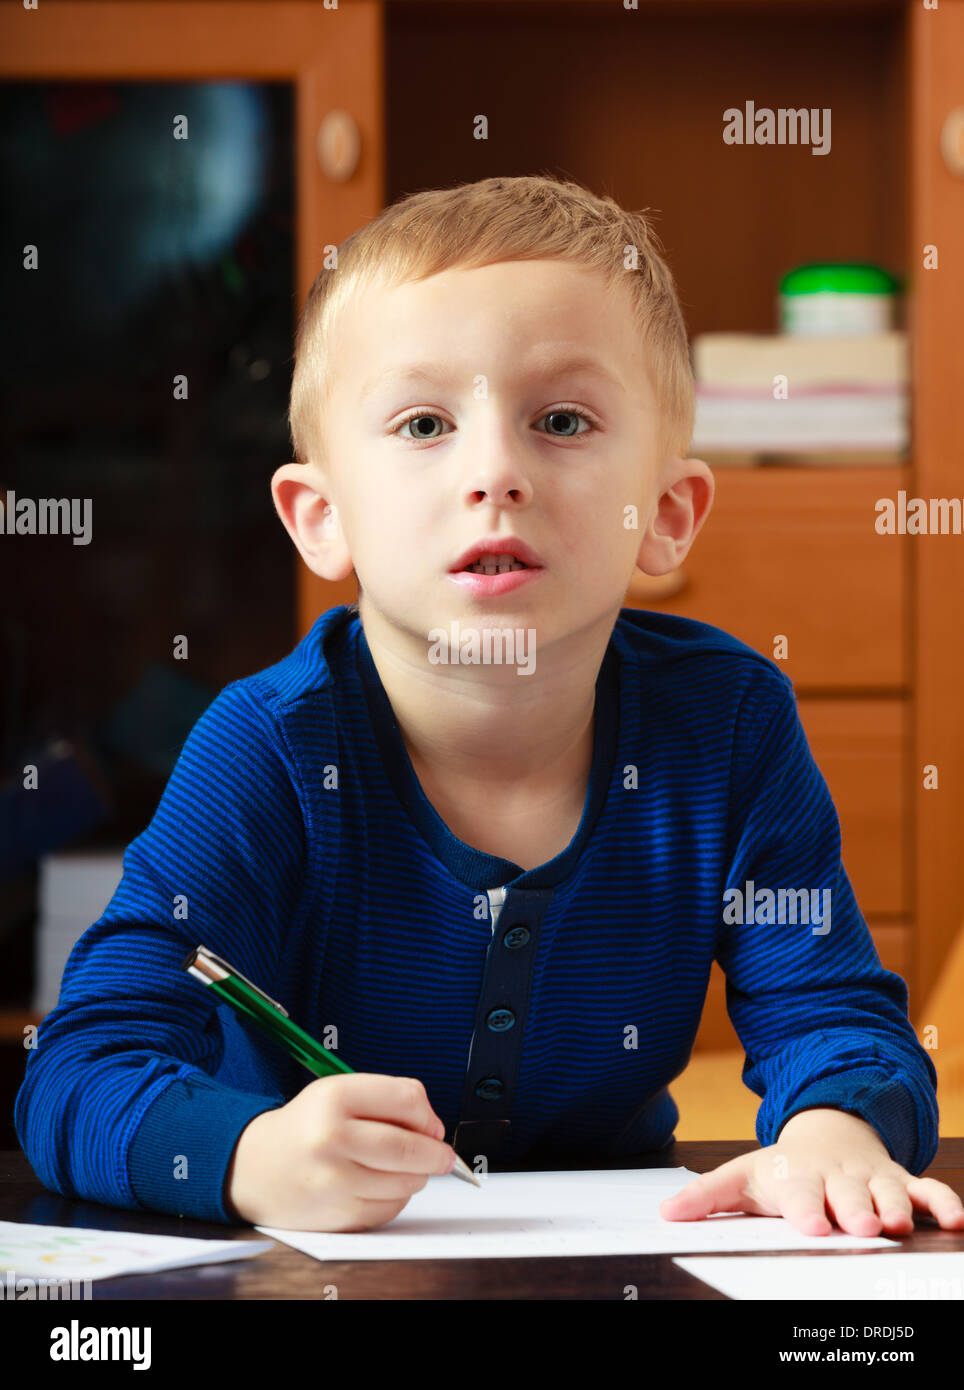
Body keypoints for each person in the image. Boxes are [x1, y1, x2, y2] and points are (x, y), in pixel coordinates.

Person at [16, 175, 964, 1239]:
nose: (494, 471)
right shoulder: (267, 747)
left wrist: (838, 1129)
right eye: (423, 422)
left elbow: (833, 1013)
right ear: (320, 518)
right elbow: (78, 1069)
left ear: (664, 514)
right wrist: (243, 1154)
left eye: (560, 419)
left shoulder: (730, 723)